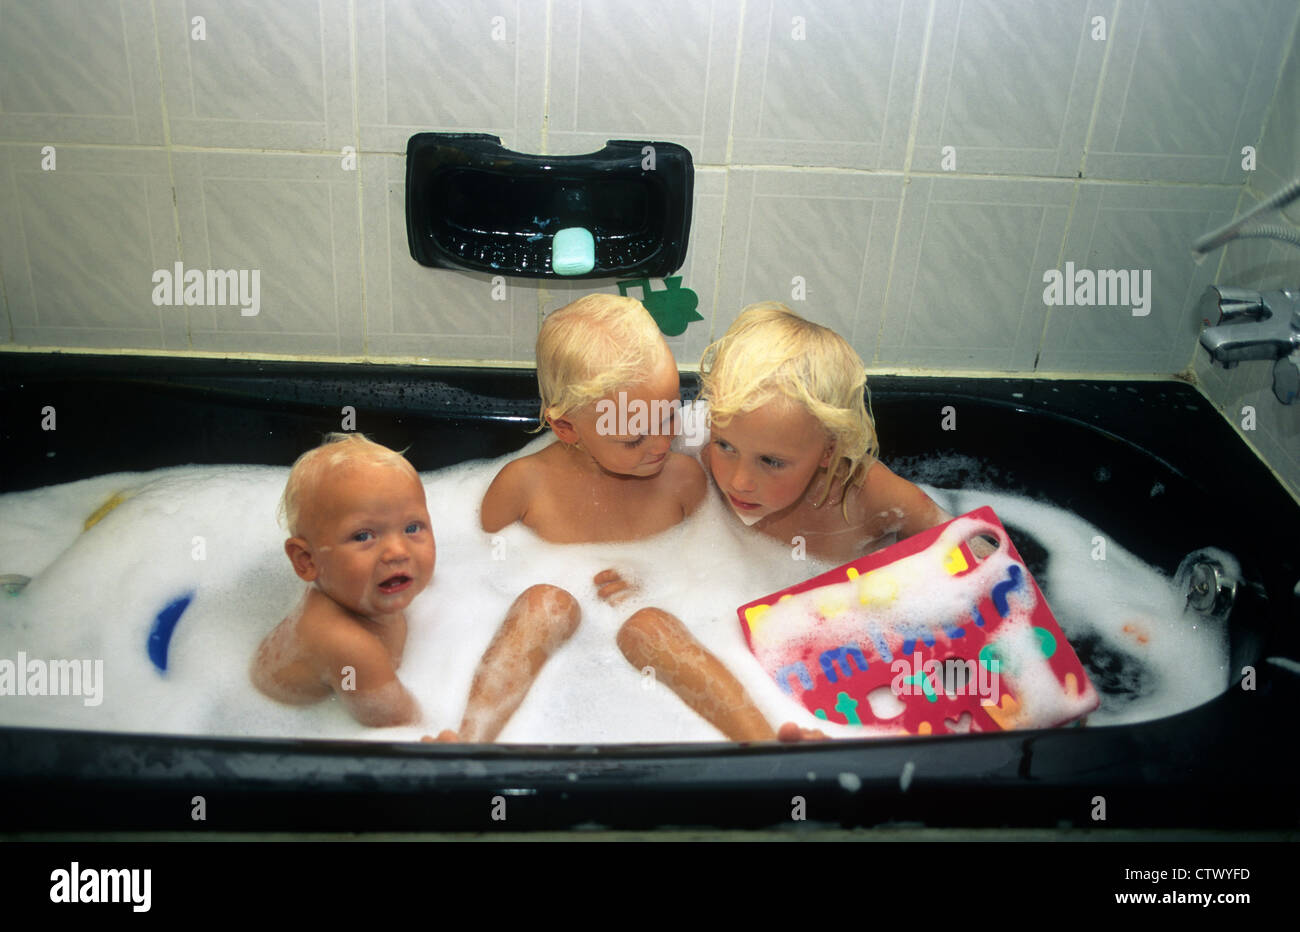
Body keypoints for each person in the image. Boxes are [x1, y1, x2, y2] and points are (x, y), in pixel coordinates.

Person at [444, 294, 801, 742]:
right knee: (542, 604)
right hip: (543, 666)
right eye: (634, 438)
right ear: (567, 428)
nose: (658, 446)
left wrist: (657, 580)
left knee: (652, 625)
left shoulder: (683, 483)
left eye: (668, 417)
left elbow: (718, 568)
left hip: (646, 651)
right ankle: (469, 740)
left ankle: (763, 743)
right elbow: (472, 571)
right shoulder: (522, 487)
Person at [251, 433, 435, 727]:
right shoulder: (352, 649)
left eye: (412, 527)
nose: (398, 552)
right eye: (363, 536)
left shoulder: (357, 587)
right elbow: (403, 730)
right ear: (307, 561)